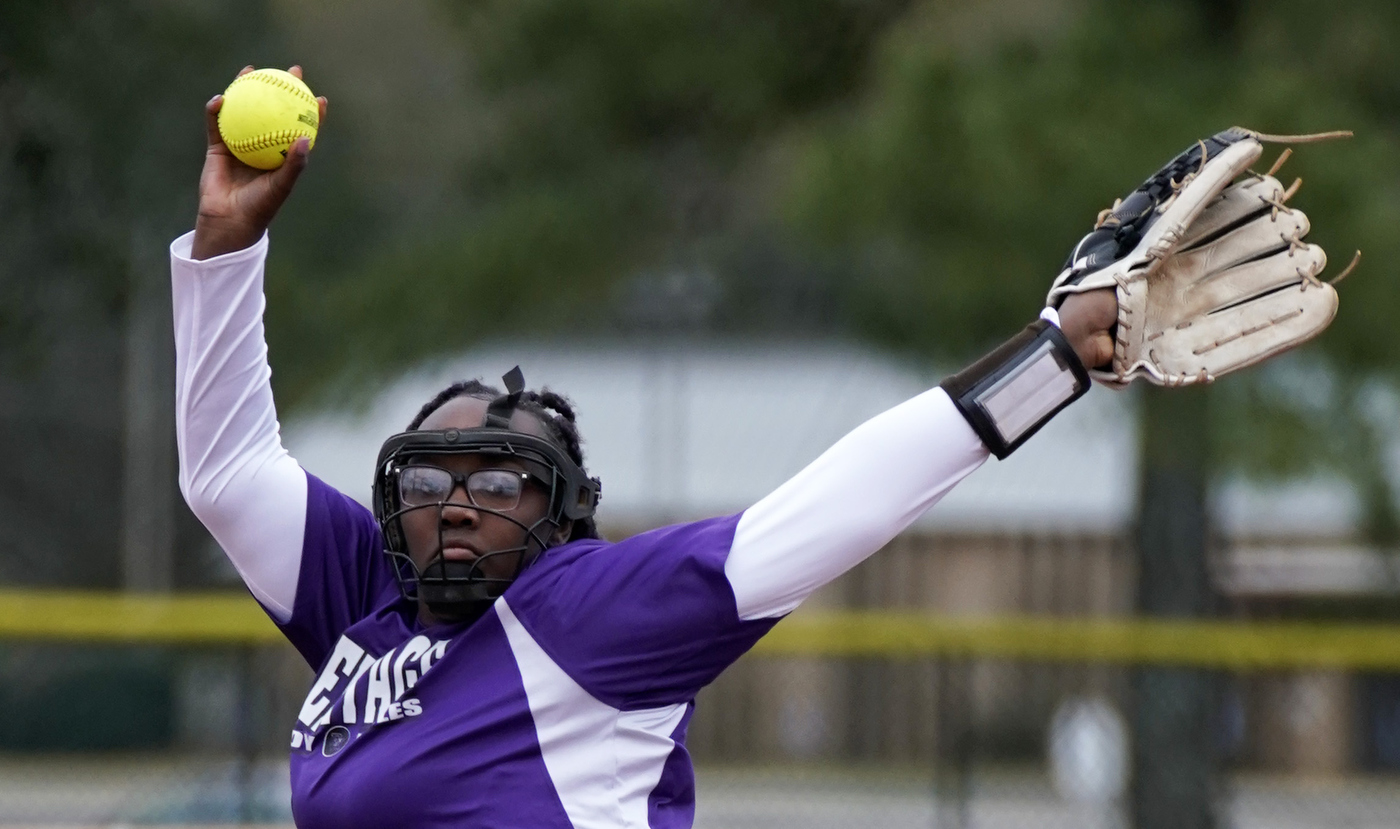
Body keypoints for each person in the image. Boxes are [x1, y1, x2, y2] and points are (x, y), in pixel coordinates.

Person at [174, 66, 1117, 828]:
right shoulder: (368, 605)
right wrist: (224, 243)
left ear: (565, 516)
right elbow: (225, 472)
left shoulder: (585, 616)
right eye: (429, 476)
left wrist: (1051, 357)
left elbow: (822, 518)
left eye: (502, 481)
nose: (455, 501)